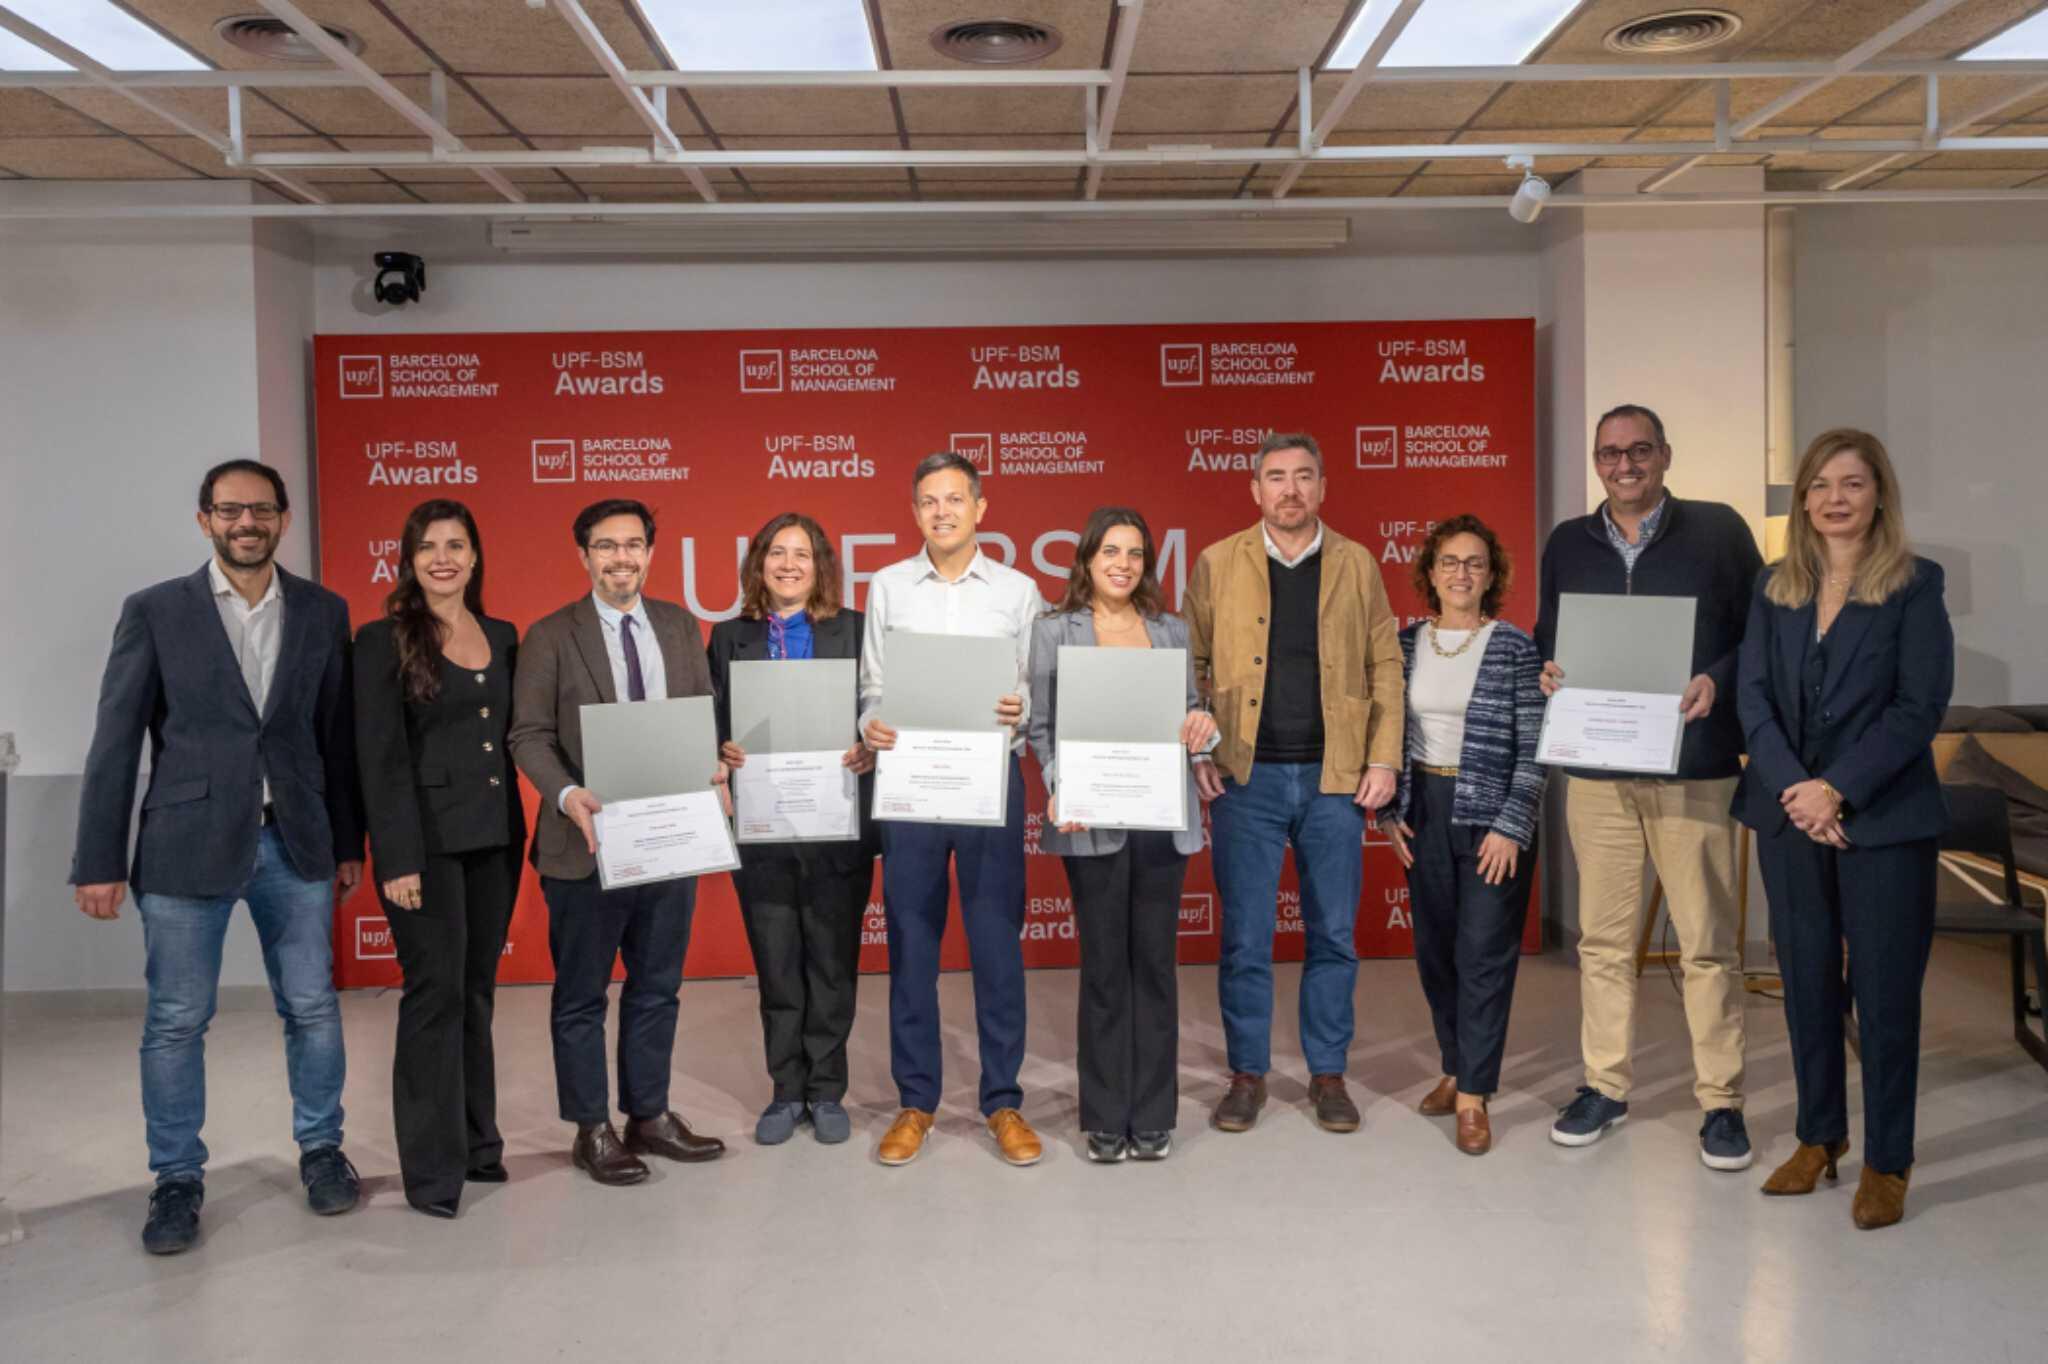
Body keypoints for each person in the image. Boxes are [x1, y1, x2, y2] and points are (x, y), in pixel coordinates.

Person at [70, 459, 366, 1255]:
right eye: (230, 509)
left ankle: (322, 1151)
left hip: (295, 841)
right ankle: (175, 1180)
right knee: (175, 1021)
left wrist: (347, 841)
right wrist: (97, 857)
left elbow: (335, 739)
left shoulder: (321, 610)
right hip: (182, 846)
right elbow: (115, 738)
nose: (247, 522)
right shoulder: (156, 611)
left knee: (311, 1007)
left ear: (283, 518)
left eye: (261, 509)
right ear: (204, 519)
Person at [1535, 402, 1764, 1170]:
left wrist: (1717, 679)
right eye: (1609, 454)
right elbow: (1550, 636)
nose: (1623, 465)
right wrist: (1549, 669)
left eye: (1638, 451)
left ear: (1665, 454)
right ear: (1596, 462)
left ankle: (1722, 1103)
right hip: (1598, 773)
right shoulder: (1569, 541)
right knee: (1602, 943)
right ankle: (1604, 1086)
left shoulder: (1719, 530)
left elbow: (1760, 630)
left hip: (1692, 764)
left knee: (1705, 943)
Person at [1734, 429, 1953, 1230]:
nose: (1835, 498)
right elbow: (1752, 697)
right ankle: (1819, 1137)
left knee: (1887, 996)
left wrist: (1838, 790)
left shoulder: (1915, 584)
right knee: (1808, 984)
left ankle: (1888, 1161)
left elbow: (1918, 707)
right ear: (1802, 499)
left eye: (1853, 483)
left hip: (1884, 820)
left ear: (1879, 494)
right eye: (1820, 484)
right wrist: (1797, 790)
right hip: (1790, 819)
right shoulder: (1774, 587)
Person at [1184, 431, 1405, 1135]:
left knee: (1334, 934)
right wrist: (1196, 752)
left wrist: (1384, 758)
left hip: (1335, 779)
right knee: (1246, 937)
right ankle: (1247, 1075)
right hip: (1244, 775)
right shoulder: (1218, 561)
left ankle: (1327, 1075)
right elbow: (1187, 664)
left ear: (1322, 486)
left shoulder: (1357, 563)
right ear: (1255, 490)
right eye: (1276, 477)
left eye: (1303, 476)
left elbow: (1385, 665)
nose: (1289, 490)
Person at [507, 498, 726, 1186]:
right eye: (606, 546)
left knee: (658, 987)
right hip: (587, 844)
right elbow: (528, 736)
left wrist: (715, 766)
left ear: (650, 553)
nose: (621, 558)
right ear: (583, 556)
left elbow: (702, 717)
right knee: (581, 994)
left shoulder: (681, 626)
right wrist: (568, 796)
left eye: (633, 545)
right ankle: (591, 1128)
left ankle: (650, 1116)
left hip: (670, 841)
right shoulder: (549, 635)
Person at [860, 452, 1044, 1167]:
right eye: (928, 501)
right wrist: (869, 721)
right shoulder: (888, 587)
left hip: (989, 779)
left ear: (980, 509)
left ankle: (1002, 1101)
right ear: (915, 513)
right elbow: (874, 683)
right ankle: (917, 1102)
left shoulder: (1017, 590)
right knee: (911, 942)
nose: (942, 512)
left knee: (997, 942)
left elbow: (1032, 686)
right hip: (909, 782)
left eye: (955, 500)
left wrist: (1019, 706)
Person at [1027, 508, 1216, 1163]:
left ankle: (1154, 1115)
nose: (1123, 564)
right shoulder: (1055, 631)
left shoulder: (1170, 629)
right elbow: (1042, 727)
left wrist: (1202, 726)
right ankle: (1106, 1116)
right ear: (1086, 559)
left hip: (1162, 818)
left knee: (1156, 971)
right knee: (1106, 971)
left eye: (1136, 553)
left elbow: (1195, 708)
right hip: (1092, 820)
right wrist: (1061, 784)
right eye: (1111, 551)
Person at [353, 499, 524, 1218]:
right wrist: (396, 860)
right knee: (434, 997)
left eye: (457, 544)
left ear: (476, 556)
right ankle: (430, 1172)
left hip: (496, 842)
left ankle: (479, 1145)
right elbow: (379, 759)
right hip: (422, 850)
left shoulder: (505, 635)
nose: (444, 557)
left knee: (477, 993)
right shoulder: (381, 639)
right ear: (409, 559)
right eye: (429, 547)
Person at [709, 513, 877, 1148]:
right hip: (762, 828)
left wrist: (868, 747)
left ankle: (828, 1089)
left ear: (821, 565)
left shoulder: (854, 631)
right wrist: (720, 748)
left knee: (833, 965)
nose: (788, 565)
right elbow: (713, 718)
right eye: (776, 553)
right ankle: (786, 1090)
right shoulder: (729, 637)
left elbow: (878, 710)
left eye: (801, 555)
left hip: (837, 824)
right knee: (777, 963)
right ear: (759, 564)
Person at [1381, 516, 1546, 1157]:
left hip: (1492, 815)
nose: (1461, 573)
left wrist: (1511, 825)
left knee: (1483, 952)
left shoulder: (1513, 647)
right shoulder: (1404, 644)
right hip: (1425, 806)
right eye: (1449, 561)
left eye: (1475, 563)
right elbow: (1388, 737)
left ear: (1492, 575)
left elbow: (1535, 748)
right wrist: (1391, 814)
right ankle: (1454, 1066)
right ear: (1429, 571)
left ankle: (1475, 1094)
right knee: (1436, 950)